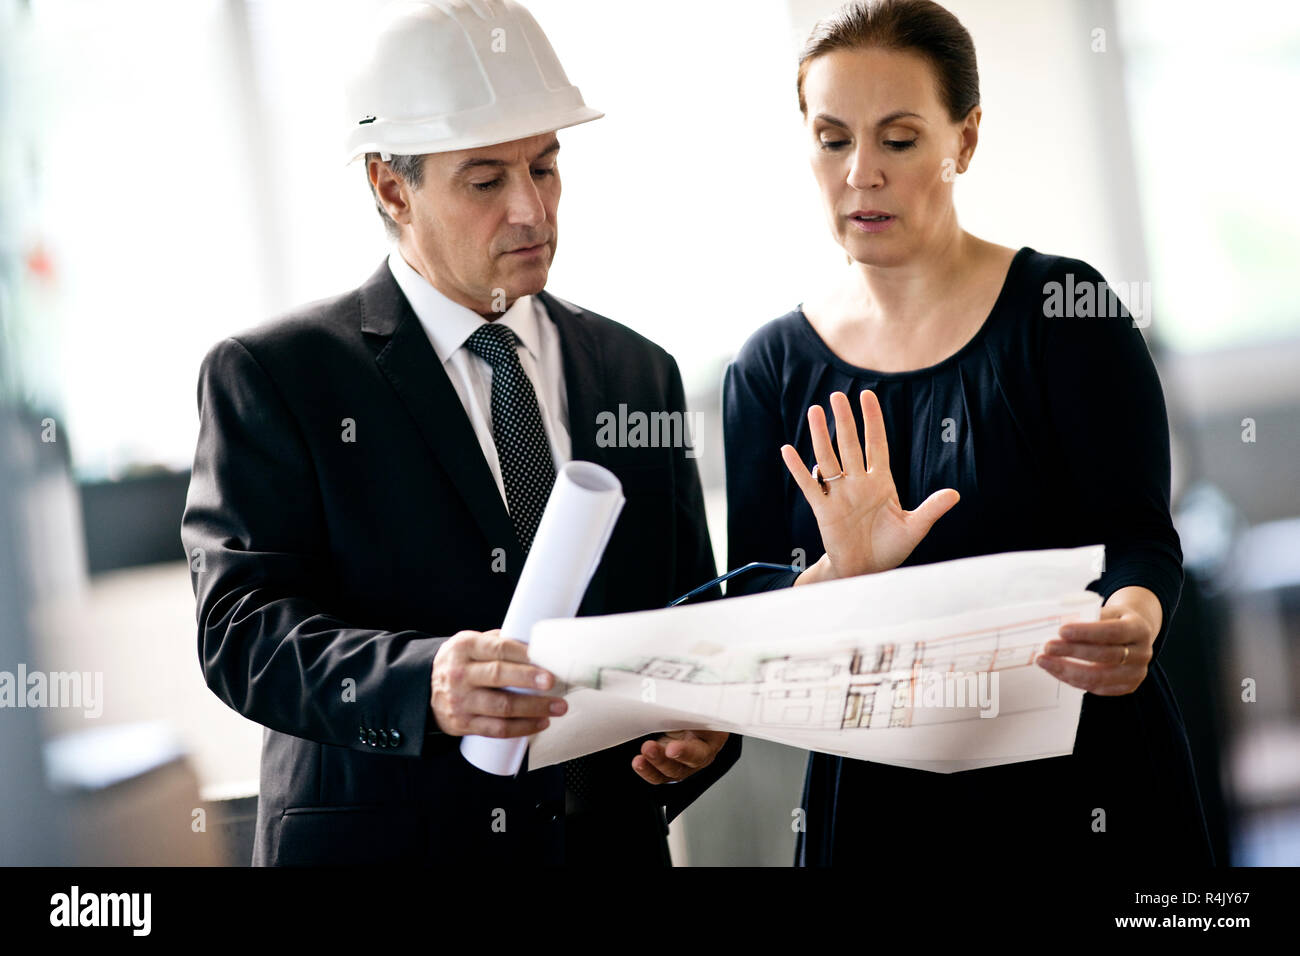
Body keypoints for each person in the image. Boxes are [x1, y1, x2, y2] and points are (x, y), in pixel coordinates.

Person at [181, 0, 736, 867]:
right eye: (485, 181)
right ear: (390, 185)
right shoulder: (277, 375)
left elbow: (688, 616)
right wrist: (423, 683)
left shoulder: (639, 373)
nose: (531, 211)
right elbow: (242, 630)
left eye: (546, 168)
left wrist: (701, 731)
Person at [722, 0, 1213, 865]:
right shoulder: (768, 371)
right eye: (833, 139)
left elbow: (1141, 542)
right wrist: (846, 575)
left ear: (965, 141)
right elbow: (763, 632)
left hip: (1082, 783)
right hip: (878, 808)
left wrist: (1133, 622)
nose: (860, 173)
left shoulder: (1066, 311)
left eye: (899, 139)